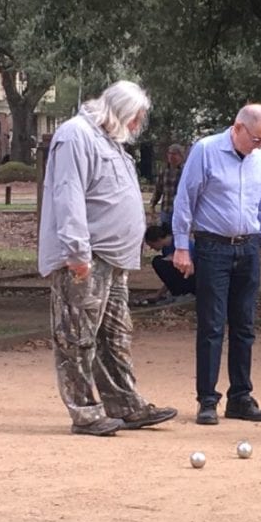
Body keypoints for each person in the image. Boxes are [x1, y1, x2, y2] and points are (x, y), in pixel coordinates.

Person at [38, 80, 178, 437]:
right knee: (77, 336)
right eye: (136, 118)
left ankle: (126, 404)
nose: (137, 126)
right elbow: (68, 195)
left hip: (115, 260)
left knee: (116, 336)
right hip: (88, 255)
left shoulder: (112, 141)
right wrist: (77, 251)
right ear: (120, 110)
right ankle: (85, 412)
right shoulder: (76, 135)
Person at [171, 103, 261, 425]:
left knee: (245, 326)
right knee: (212, 326)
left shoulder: (259, 158)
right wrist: (180, 247)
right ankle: (207, 400)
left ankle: (241, 397)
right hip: (212, 247)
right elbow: (185, 199)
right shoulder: (205, 151)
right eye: (257, 138)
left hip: (247, 249)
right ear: (237, 128)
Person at [141, 223, 195, 304]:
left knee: (159, 262)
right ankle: (177, 293)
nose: (152, 248)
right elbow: (169, 276)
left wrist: (172, 258)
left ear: (158, 240)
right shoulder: (165, 249)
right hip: (182, 274)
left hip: (194, 274)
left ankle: (188, 293)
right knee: (158, 261)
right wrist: (158, 294)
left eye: (152, 245)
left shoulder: (179, 242)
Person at [150, 144, 185, 225]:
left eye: (174, 154)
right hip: (166, 210)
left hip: (181, 211)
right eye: (169, 153)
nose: (171, 156)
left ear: (181, 156)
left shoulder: (186, 171)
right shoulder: (164, 171)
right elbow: (158, 189)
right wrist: (152, 205)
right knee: (166, 235)